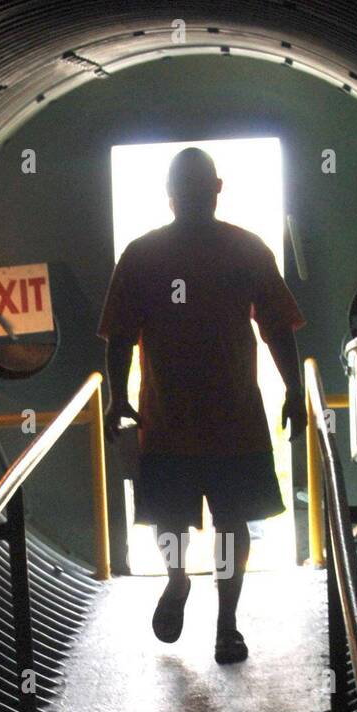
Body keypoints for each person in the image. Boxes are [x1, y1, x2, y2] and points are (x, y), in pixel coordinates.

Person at [98, 146, 306, 664]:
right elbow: (277, 328)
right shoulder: (244, 249)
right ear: (218, 187)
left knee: (175, 521)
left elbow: (120, 335)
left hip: (171, 419)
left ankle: (182, 585)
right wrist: (296, 393)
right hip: (228, 417)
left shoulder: (144, 254)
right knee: (231, 524)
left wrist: (119, 396)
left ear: (173, 195)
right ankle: (224, 623)